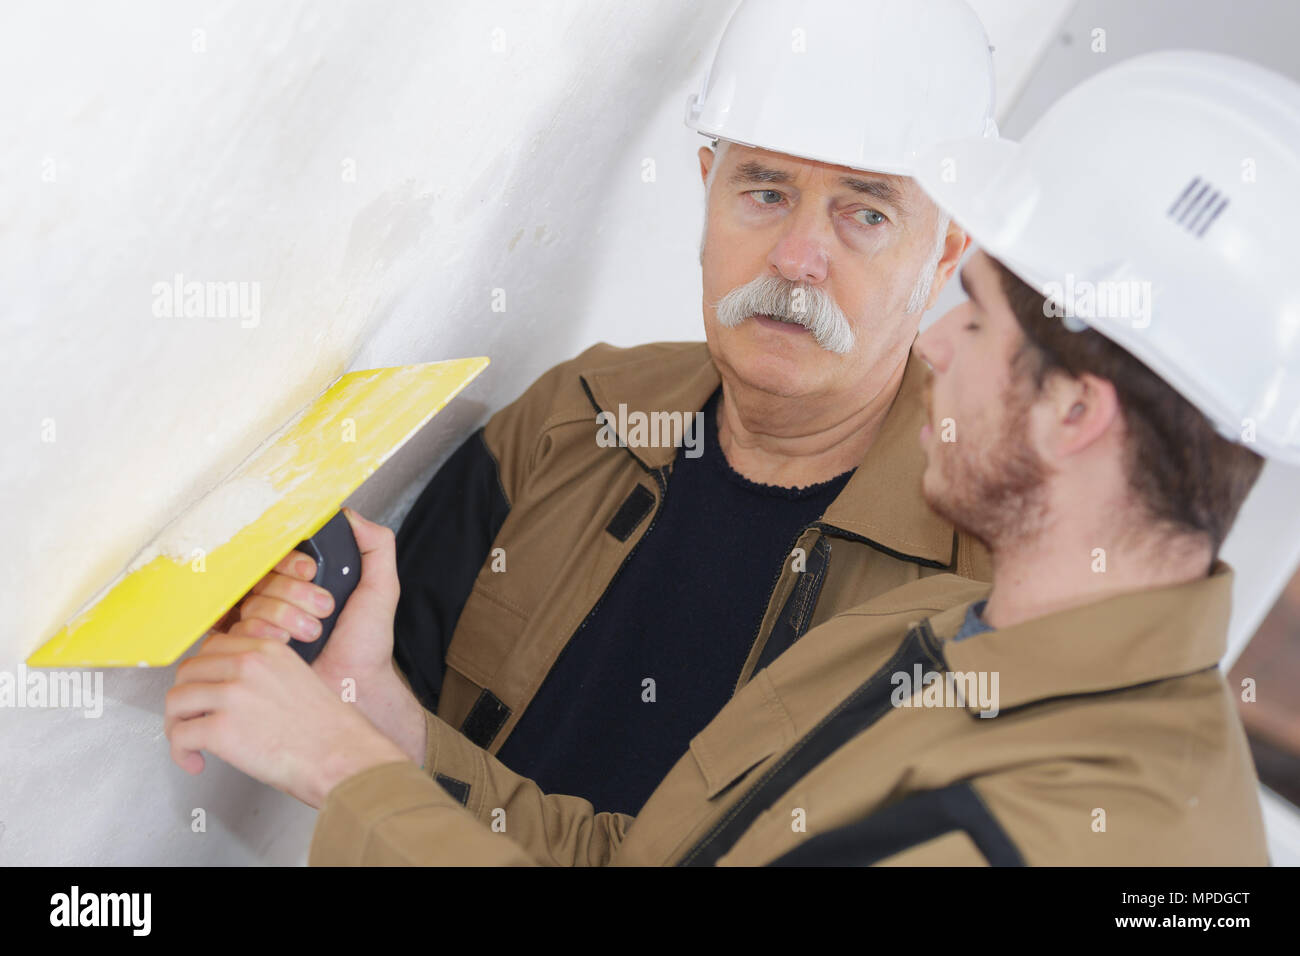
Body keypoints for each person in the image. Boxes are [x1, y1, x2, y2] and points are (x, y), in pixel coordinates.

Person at [167, 49, 1297, 864]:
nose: (938, 339)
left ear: (1075, 414)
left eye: (980, 315)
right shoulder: (914, 643)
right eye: (761, 186)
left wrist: (342, 771)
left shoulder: (1080, 825)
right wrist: (387, 720)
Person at [205, 0, 999, 817]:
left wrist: (382, 740)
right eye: (764, 192)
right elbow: (368, 686)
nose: (797, 259)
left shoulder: (985, 583)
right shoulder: (573, 420)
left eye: (865, 214)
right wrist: (294, 606)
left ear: (942, 256)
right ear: (707, 189)